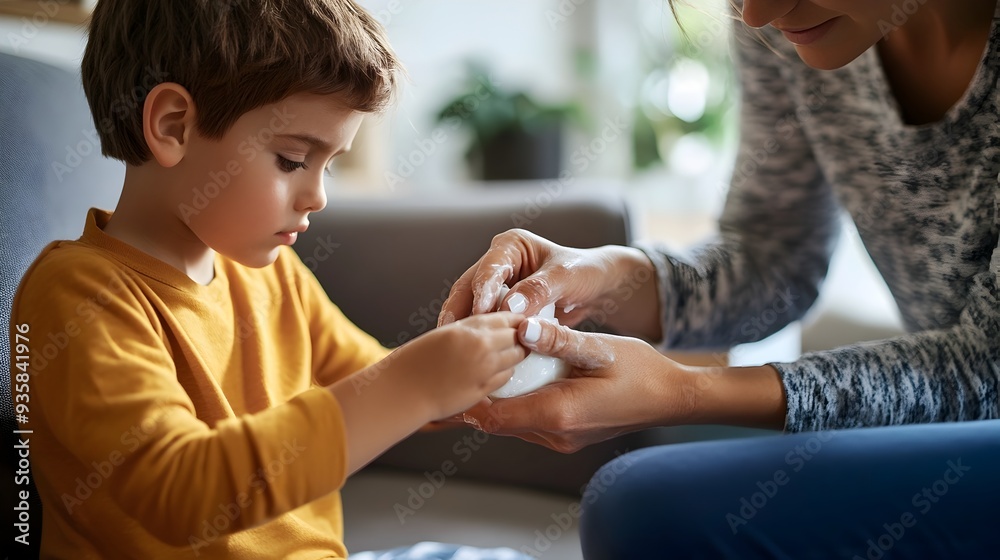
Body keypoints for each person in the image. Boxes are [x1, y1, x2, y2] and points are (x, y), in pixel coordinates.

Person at [442, 0, 1000, 557]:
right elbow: (775, 255)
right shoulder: (795, 25)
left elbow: (989, 365)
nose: (755, 15)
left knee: (642, 504)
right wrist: (612, 275)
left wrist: (684, 392)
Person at [11, 1, 534, 558]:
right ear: (172, 127)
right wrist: (418, 384)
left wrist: (493, 359)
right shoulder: (79, 294)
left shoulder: (276, 276)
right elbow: (180, 492)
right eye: (292, 160)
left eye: (329, 164)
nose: (319, 196)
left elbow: (378, 379)